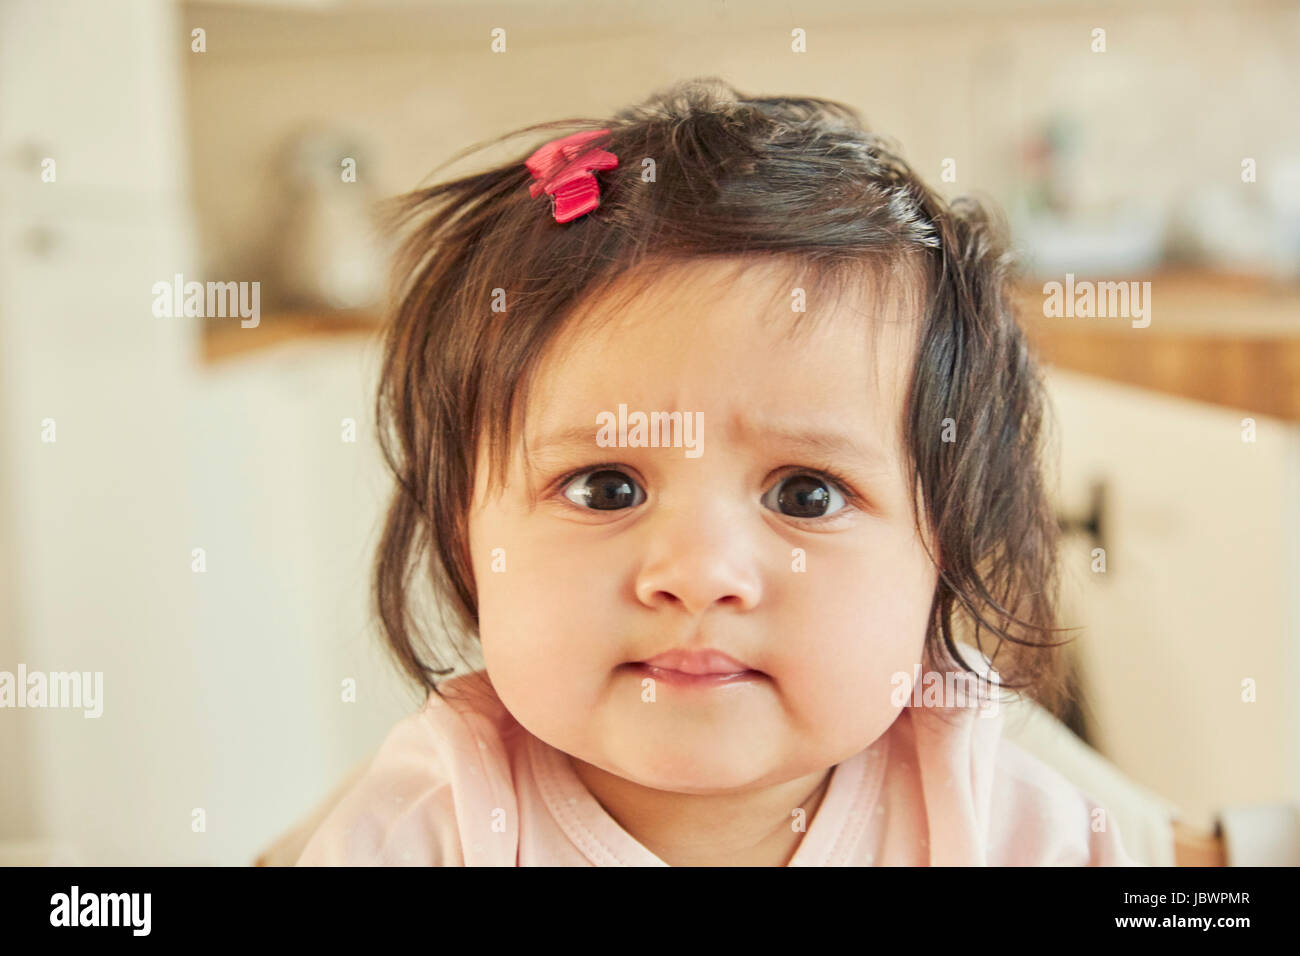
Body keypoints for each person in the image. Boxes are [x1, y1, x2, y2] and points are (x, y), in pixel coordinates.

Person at [296, 77, 1134, 866]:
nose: (698, 577)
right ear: (464, 531)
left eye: (806, 495)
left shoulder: (1013, 832)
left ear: (945, 545)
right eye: (606, 487)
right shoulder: (421, 836)